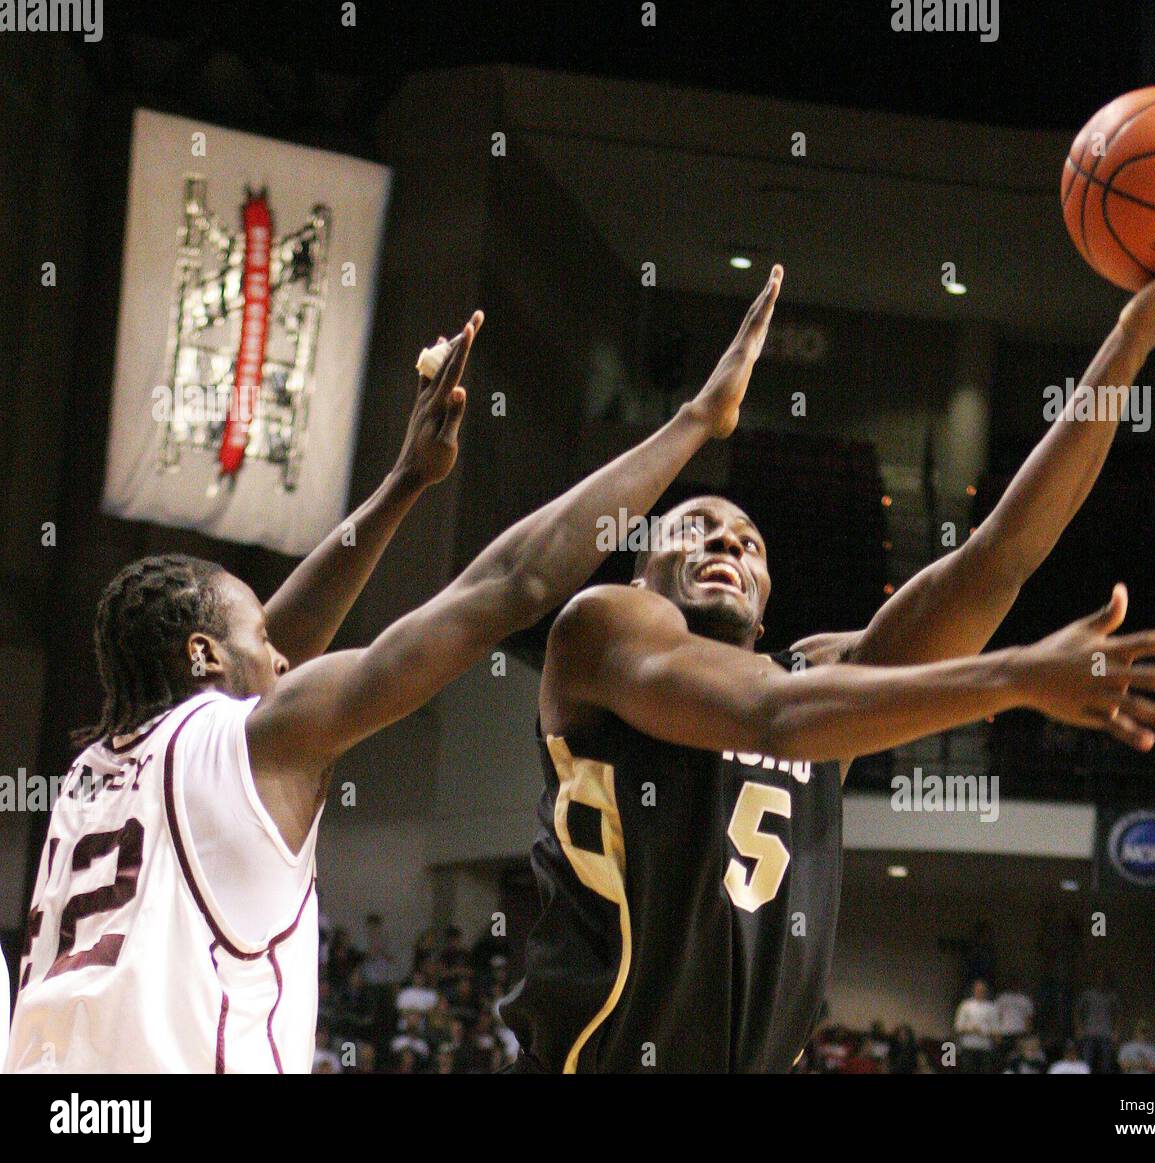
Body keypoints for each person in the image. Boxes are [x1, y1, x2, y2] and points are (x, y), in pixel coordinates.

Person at [501, 210, 1155, 1073]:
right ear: (642, 567)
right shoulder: (607, 628)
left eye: (748, 541)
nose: (724, 544)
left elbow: (997, 558)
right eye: (694, 528)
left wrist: (1131, 339)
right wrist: (1012, 676)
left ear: (769, 595)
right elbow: (772, 718)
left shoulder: (823, 674)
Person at [6, 269, 781, 1074]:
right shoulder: (252, 742)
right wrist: (694, 420)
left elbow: (284, 641)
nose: (281, 653)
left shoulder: (93, 772)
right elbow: (509, 585)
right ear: (202, 655)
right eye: (257, 638)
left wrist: (406, 481)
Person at [1074, 969, 1119, 1074]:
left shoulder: (1111, 995)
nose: (1101, 980)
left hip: (1106, 1032)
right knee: (1086, 1062)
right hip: (1089, 1031)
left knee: (1106, 1063)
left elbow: (1117, 1013)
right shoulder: (1088, 994)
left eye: (1103, 978)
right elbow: (1077, 1010)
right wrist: (1079, 1027)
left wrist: (1116, 1030)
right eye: (1099, 978)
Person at [955, 979, 998, 1074]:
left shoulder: (992, 1007)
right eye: (978, 989)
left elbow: (996, 1031)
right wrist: (971, 1029)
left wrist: (984, 1031)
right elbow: (958, 1027)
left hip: (985, 1047)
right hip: (968, 1046)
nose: (980, 992)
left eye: (982, 990)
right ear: (973, 990)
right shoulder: (965, 1005)